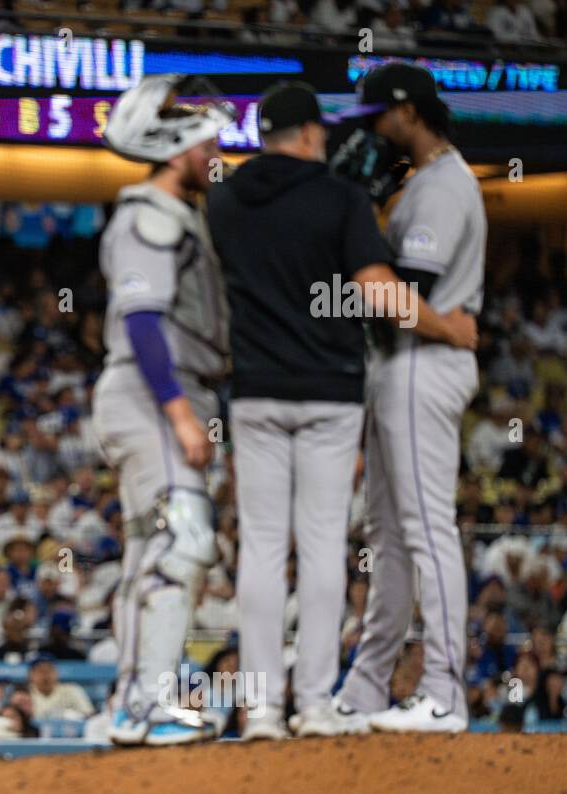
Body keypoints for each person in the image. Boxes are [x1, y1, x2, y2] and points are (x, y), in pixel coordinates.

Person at [206, 82, 477, 740]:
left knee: (263, 549)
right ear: (306, 133)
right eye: (320, 131)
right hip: (329, 390)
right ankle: (317, 703)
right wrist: (448, 328)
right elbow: (378, 291)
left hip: (257, 387)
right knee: (326, 546)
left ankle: (265, 707)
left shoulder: (223, 198)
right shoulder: (339, 197)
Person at [334, 64, 487, 734]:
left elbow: (402, 298)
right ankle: (366, 688)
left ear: (409, 112)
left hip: (426, 362)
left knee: (426, 532)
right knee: (390, 537)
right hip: (401, 367)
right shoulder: (421, 182)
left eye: (379, 116)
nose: (372, 129)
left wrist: (359, 219)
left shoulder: (446, 184)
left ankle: (447, 694)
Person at [92, 74, 233, 746]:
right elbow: (143, 319)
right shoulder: (151, 212)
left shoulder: (174, 213)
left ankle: (128, 706)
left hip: (161, 393)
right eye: (209, 139)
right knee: (184, 540)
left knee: (152, 550)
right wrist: (179, 412)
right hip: (152, 393)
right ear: (176, 146)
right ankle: (145, 706)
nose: (218, 152)